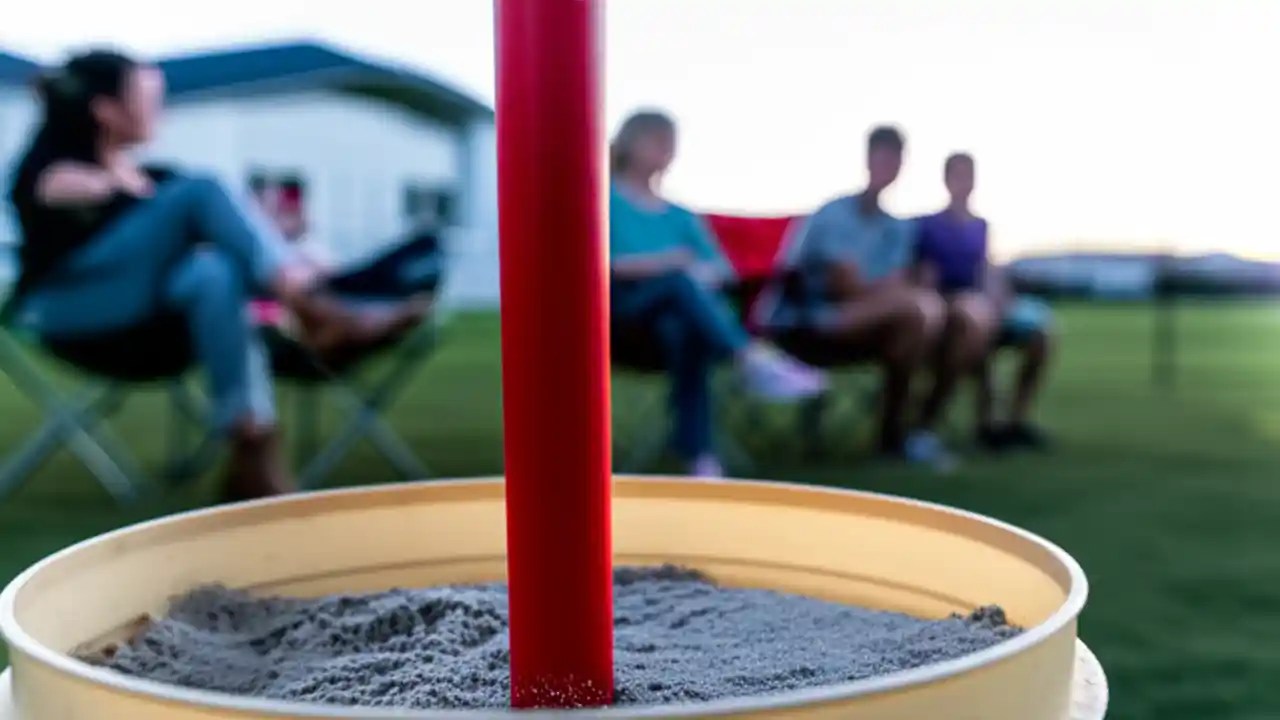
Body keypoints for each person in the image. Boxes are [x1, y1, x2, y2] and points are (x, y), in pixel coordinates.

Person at [4, 50, 427, 501]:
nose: (159, 111)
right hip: (72, 315)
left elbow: (207, 236)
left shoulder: (158, 180)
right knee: (203, 192)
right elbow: (67, 190)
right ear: (106, 109)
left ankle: (251, 443)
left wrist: (265, 235)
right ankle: (312, 308)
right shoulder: (49, 170)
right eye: (149, 99)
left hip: (157, 322)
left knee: (214, 272)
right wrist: (134, 194)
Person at [609, 110, 827, 478]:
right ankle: (750, 360)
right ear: (632, 142)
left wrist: (692, 271)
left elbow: (721, 269)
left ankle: (698, 455)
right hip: (623, 318)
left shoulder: (679, 215)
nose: (666, 151)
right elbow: (603, 265)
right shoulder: (604, 202)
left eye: (670, 144)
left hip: (677, 323)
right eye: (657, 140)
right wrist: (668, 263)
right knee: (678, 280)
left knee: (685, 329)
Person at [767, 125, 971, 468]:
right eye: (882, 156)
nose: (888, 165)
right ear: (868, 158)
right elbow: (842, 285)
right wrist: (888, 290)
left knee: (937, 318)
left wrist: (887, 290)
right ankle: (896, 434)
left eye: (896, 159)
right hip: (809, 323)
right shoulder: (834, 214)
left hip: (872, 326)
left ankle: (903, 432)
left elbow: (887, 282)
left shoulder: (897, 228)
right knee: (920, 310)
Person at [915, 153, 1054, 450]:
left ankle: (1015, 421)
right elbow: (926, 277)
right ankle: (972, 423)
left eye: (969, 175)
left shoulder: (980, 227)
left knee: (1041, 333)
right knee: (974, 323)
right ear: (947, 180)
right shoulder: (930, 226)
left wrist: (1002, 298)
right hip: (953, 312)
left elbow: (986, 269)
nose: (964, 183)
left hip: (983, 307)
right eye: (958, 175)